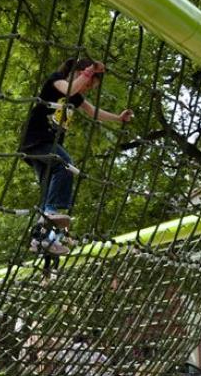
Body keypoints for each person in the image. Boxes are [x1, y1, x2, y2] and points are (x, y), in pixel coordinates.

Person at [18, 57, 133, 254]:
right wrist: (91, 70)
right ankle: (51, 212)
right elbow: (69, 89)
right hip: (36, 140)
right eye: (88, 84)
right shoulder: (56, 81)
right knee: (65, 166)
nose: (86, 89)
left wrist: (118, 118)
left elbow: (94, 112)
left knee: (47, 189)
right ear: (79, 73)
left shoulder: (76, 96)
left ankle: (41, 239)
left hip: (44, 146)